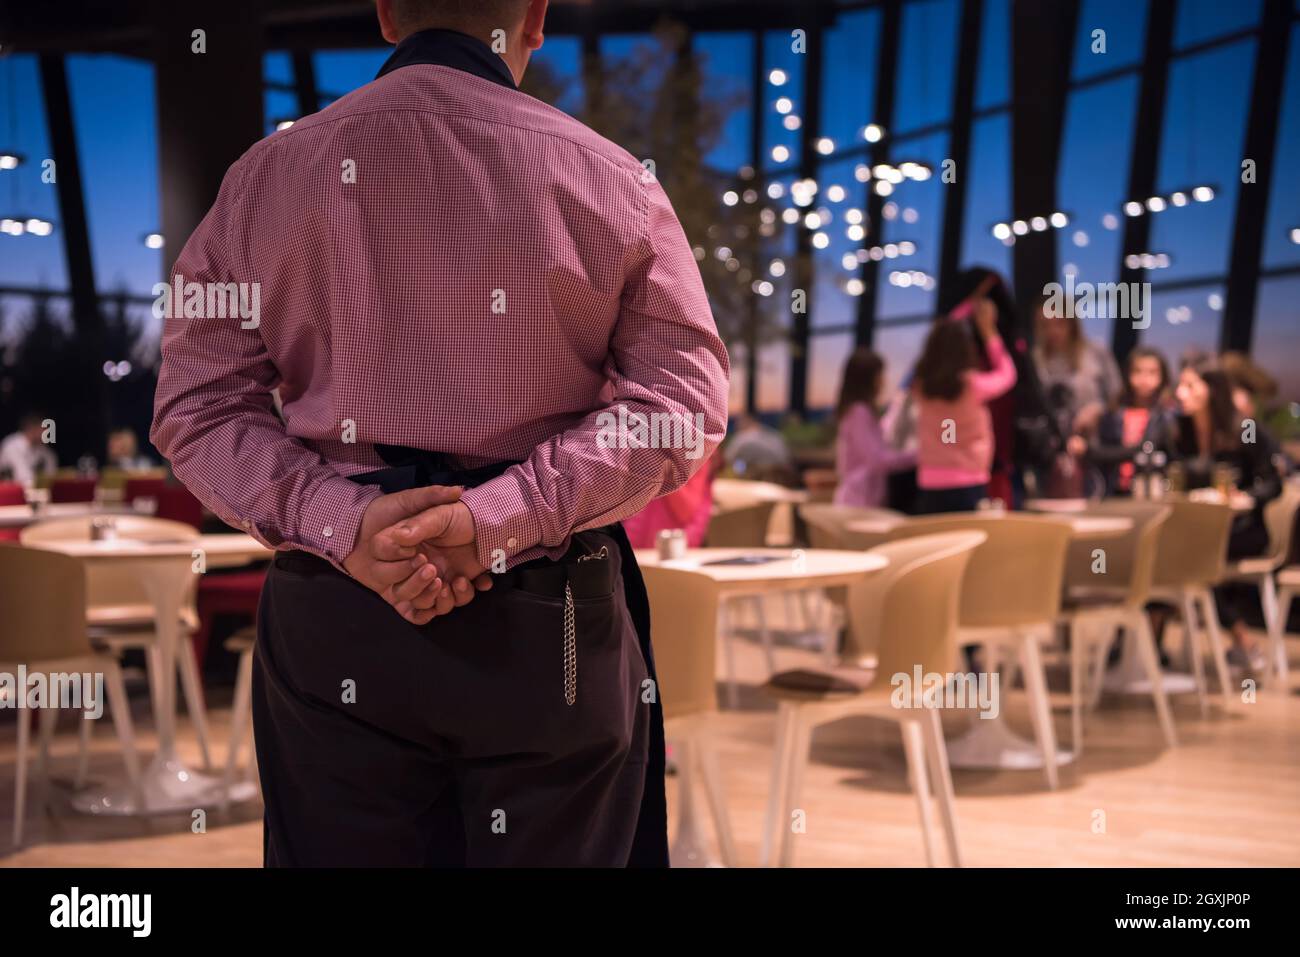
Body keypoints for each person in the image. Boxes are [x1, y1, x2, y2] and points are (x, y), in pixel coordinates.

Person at [150, 0, 729, 867]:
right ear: (535, 18)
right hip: (547, 620)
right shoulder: (614, 180)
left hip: (338, 613)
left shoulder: (266, 177)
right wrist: (497, 517)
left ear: (386, 13)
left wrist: (346, 523)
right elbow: (683, 400)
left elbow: (195, 406)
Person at [1174, 356, 1282, 672]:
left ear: (1212, 390)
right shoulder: (1181, 431)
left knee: (1190, 558)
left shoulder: (1243, 429)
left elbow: (1274, 483)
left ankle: (1243, 640)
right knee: (1163, 550)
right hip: (1196, 527)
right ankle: (1147, 649)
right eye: (1180, 385)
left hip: (1244, 529)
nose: (1181, 394)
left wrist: (1246, 498)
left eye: (1189, 386)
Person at [911, 297, 1017, 513]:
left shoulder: (920, 388)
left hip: (930, 481)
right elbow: (1008, 374)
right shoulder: (973, 385)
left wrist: (958, 313)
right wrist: (989, 332)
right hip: (969, 480)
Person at [1033, 299, 1123, 496]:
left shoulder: (1094, 352)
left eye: (1059, 323)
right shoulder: (1037, 358)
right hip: (1052, 453)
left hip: (1094, 447)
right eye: (1046, 325)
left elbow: (1115, 394)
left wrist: (1096, 410)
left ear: (1071, 323)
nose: (1053, 331)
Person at [1085, 346, 1179, 496]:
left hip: (1152, 490)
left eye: (1152, 372)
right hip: (1113, 490)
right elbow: (1100, 452)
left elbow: (1154, 450)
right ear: (1128, 374)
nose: (1144, 379)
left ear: (1163, 376)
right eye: (1138, 371)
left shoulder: (1167, 415)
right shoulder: (1114, 412)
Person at [832, 348, 915, 507]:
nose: (883, 381)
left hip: (861, 501)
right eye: (880, 375)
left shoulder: (859, 412)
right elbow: (877, 459)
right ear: (868, 378)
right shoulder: (859, 412)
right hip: (859, 504)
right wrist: (918, 456)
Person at [0, 413, 57, 487]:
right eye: (44, 429)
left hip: (25, 490)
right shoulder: (13, 445)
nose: (48, 433)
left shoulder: (41, 448)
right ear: (32, 429)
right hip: (7, 491)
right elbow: (24, 478)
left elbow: (51, 471)